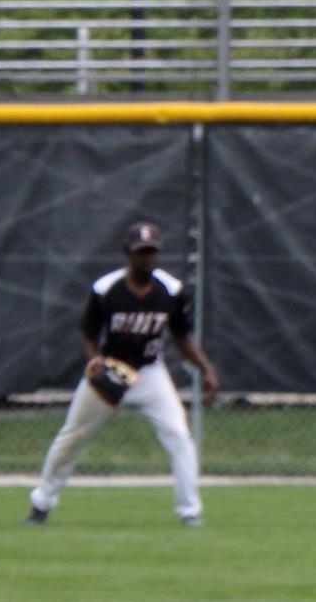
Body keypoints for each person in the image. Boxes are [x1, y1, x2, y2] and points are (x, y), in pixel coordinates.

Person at [26, 221, 220, 527]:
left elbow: (182, 338)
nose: (147, 258)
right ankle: (41, 504)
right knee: (72, 436)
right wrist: (96, 361)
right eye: (141, 252)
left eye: (152, 251)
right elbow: (88, 334)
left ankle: (190, 512)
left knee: (178, 436)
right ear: (128, 254)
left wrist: (205, 369)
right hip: (112, 370)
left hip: (150, 373)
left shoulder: (170, 290)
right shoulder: (107, 290)